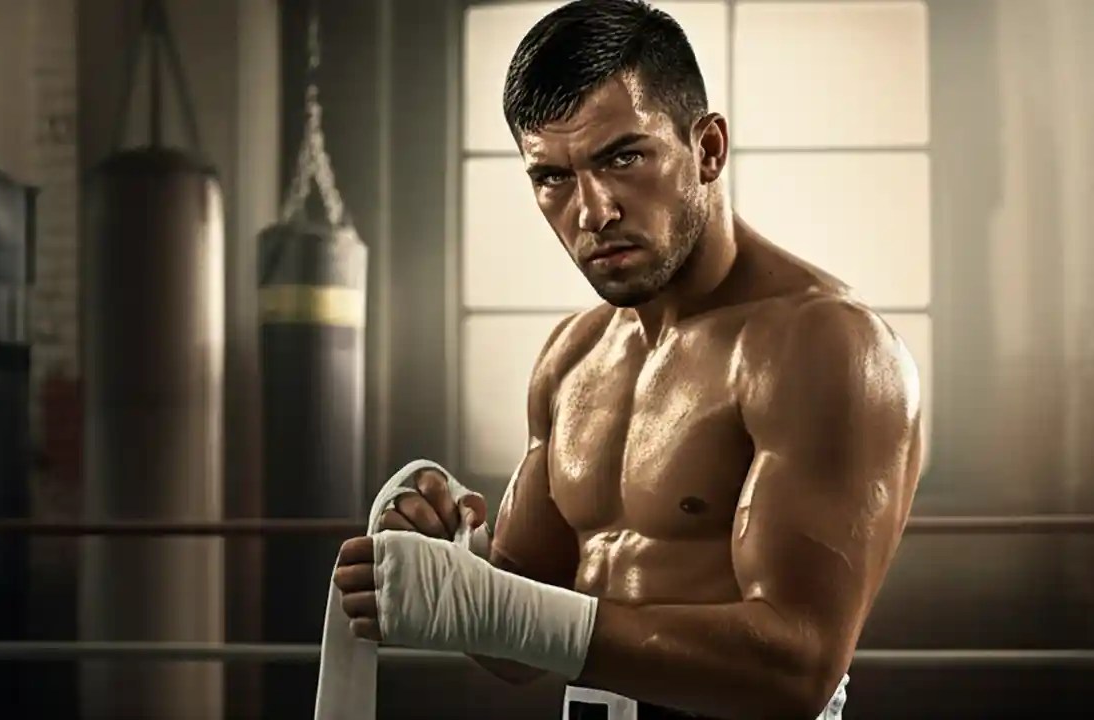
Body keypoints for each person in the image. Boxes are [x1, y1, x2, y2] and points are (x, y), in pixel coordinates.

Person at [332, 1, 922, 718]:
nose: (592, 210)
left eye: (623, 157)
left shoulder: (823, 347)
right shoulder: (572, 358)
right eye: (552, 176)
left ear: (707, 149)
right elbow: (514, 649)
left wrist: (486, 605)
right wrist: (450, 561)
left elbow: (797, 667)